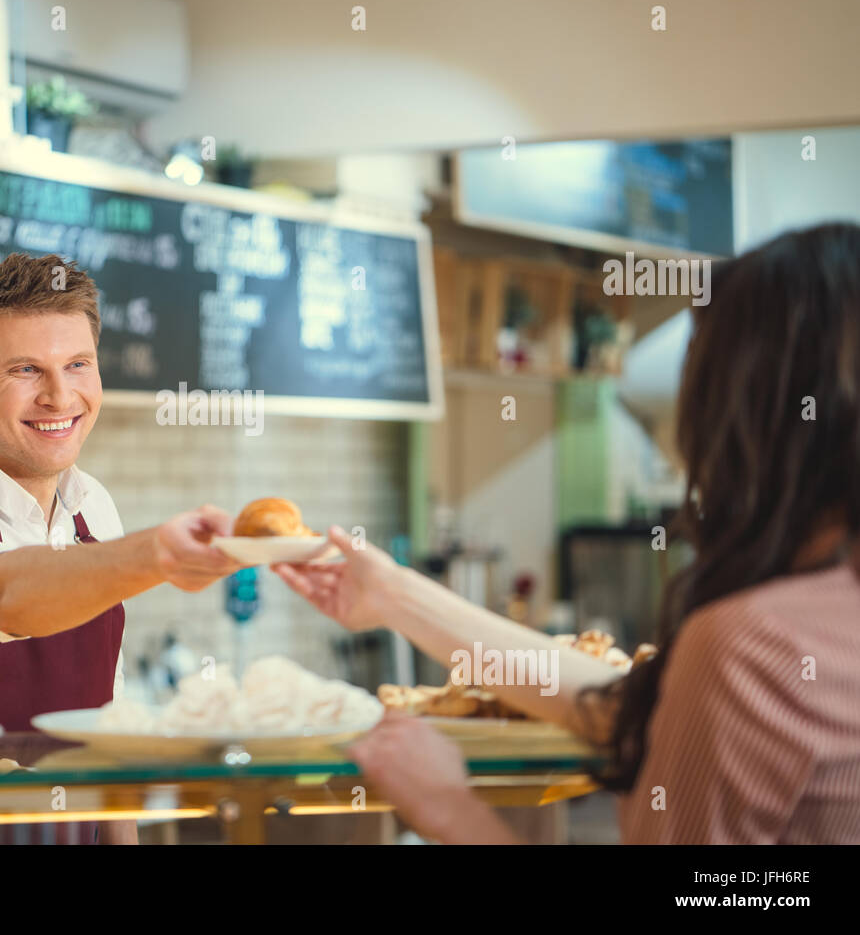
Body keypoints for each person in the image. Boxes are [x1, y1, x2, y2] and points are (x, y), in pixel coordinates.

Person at [276, 222, 860, 844]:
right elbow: (629, 709)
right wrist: (394, 596)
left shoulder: (751, 646)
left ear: (740, 416)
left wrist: (447, 808)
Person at [0, 253, 240, 844]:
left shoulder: (94, 505)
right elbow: (1, 593)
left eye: (78, 364)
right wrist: (150, 558)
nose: (60, 397)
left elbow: (101, 728)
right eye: (26, 371)